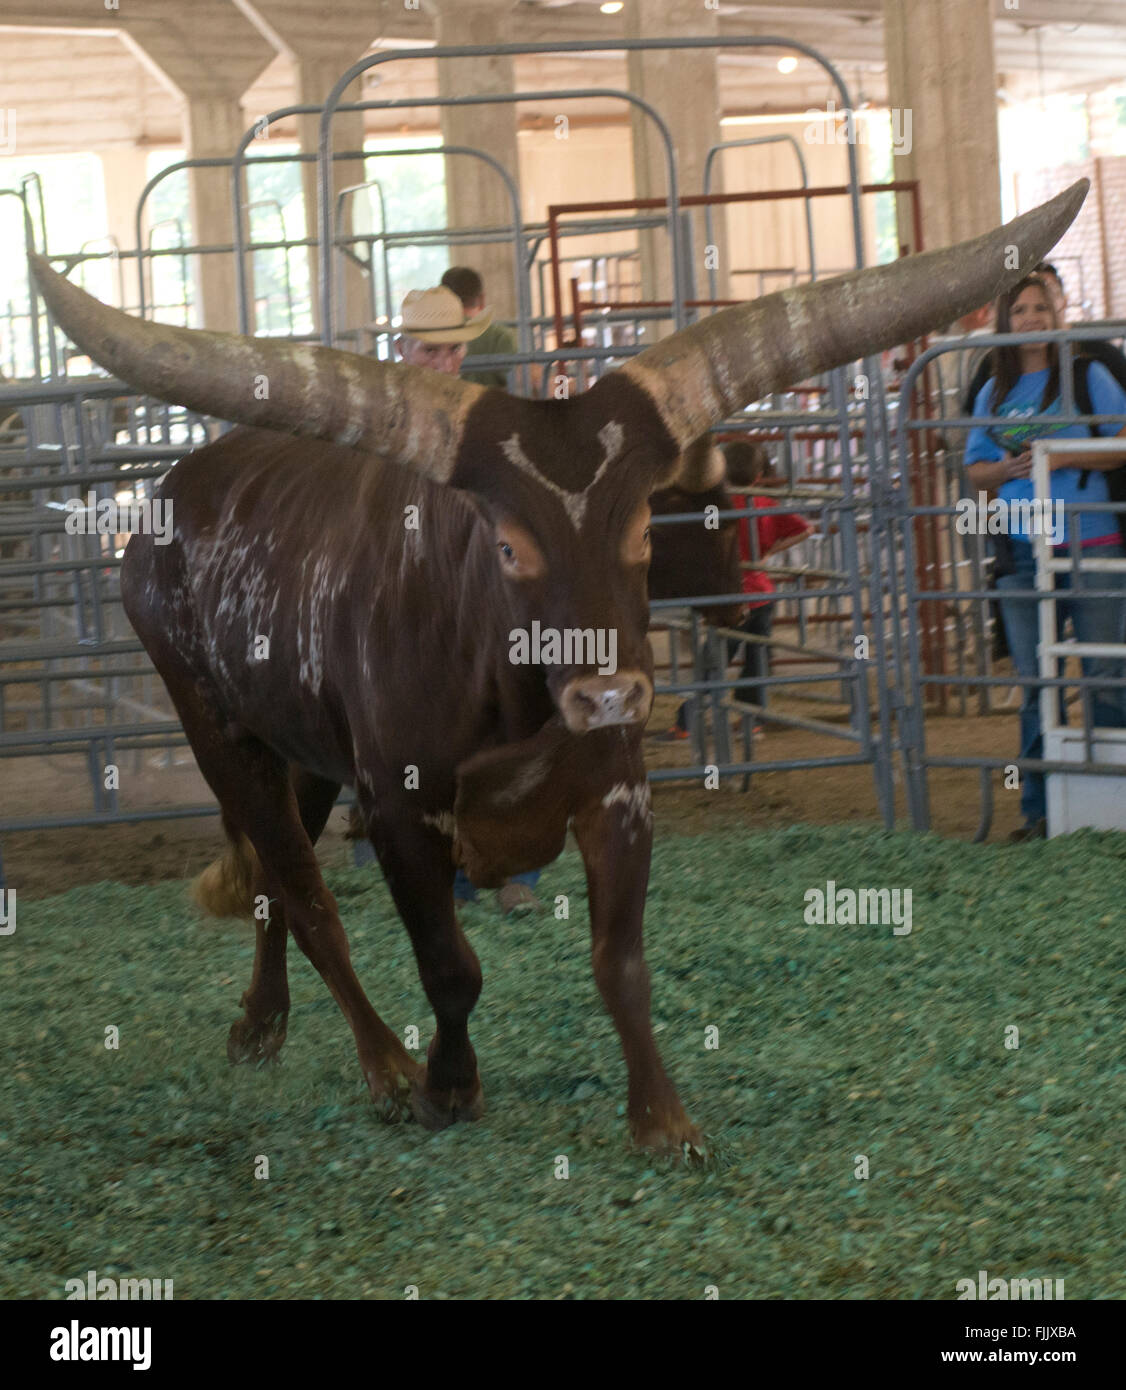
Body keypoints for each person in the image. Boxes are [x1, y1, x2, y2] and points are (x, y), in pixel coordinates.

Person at [365, 285, 542, 915]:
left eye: (450, 351)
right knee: (409, 735)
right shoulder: (377, 423)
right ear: (401, 349)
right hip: (401, 598)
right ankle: (420, 868)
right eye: (428, 350)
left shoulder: (490, 417)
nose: (441, 363)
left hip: (476, 597)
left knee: (505, 721)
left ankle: (513, 870)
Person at [964, 273, 1126, 842]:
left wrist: (1058, 455)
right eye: (1019, 309)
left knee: (1106, 669)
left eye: (1040, 307)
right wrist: (1005, 469)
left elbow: (1122, 440)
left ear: (1058, 313)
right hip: (1022, 545)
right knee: (1036, 681)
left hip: (1090, 538)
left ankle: (1111, 806)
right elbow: (975, 468)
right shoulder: (992, 392)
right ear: (1004, 321)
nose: (1030, 318)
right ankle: (1038, 810)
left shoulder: (1089, 375)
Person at [669, 441, 813, 737]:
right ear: (759, 475)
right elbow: (806, 528)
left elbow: (697, 541)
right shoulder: (766, 503)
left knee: (713, 661)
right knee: (756, 661)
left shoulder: (714, 507)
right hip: (762, 595)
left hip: (729, 597)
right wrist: (768, 552)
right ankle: (752, 721)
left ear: (718, 472)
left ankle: (686, 723)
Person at [439, 266, 517, 390]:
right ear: (481, 299)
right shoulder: (499, 336)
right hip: (489, 407)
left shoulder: (431, 335)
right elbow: (521, 384)